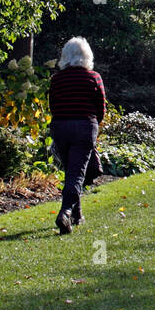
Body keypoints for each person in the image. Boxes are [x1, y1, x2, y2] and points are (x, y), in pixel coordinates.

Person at [48, 36, 106, 234]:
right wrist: (93, 125)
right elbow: (101, 108)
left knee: (72, 172)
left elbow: (53, 106)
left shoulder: (56, 79)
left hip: (60, 127)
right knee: (76, 173)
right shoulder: (93, 77)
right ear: (87, 56)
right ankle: (64, 213)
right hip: (84, 127)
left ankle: (77, 215)